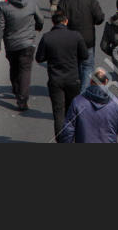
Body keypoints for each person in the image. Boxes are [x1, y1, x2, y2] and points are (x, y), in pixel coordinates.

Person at [35, 9, 89, 140]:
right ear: (66, 21)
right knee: (73, 110)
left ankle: (61, 140)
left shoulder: (47, 37)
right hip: (73, 79)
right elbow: (85, 55)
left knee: (58, 112)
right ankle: (74, 136)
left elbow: (39, 58)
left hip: (55, 80)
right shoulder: (75, 36)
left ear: (53, 23)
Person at [0, 0, 43, 113]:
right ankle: (23, 99)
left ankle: (16, 88)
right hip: (28, 43)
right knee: (25, 71)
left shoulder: (4, 6)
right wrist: (38, 27)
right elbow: (40, 19)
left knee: (14, 67)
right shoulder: (31, 3)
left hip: (11, 44)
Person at [57, 69, 118, 143]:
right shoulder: (116, 105)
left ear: (91, 81)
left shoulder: (78, 102)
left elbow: (68, 130)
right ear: (106, 82)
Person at [60, 0, 105, 90]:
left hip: (69, 40)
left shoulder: (64, 3)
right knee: (87, 67)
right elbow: (99, 19)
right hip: (88, 40)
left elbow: (59, 20)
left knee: (73, 66)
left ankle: (74, 88)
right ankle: (83, 92)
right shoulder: (91, 2)